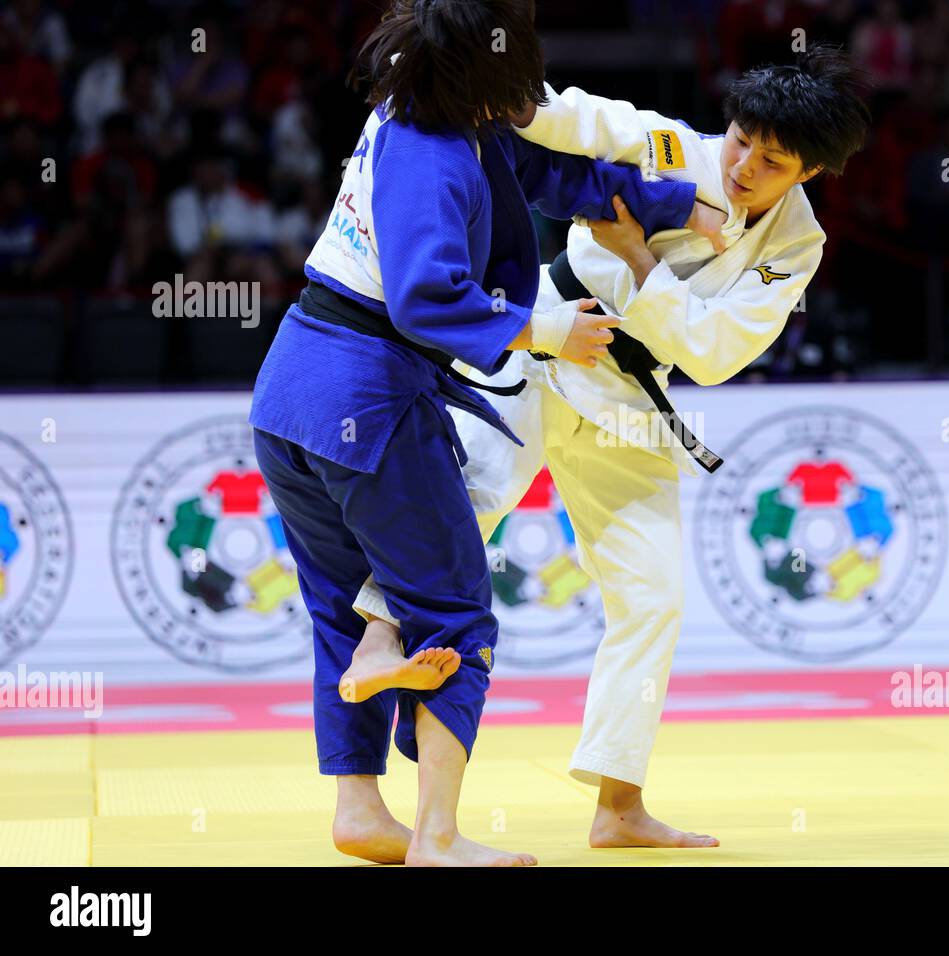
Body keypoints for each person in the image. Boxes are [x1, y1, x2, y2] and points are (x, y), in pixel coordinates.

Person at [352, 43, 871, 849]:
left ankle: (618, 806)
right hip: (545, 342)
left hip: (629, 391)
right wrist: (509, 102)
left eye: (771, 162)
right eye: (741, 140)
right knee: (462, 503)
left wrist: (638, 257)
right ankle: (378, 642)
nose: (742, 165)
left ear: (808, 175)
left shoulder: (796, 248)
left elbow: (711, 353)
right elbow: (589, 119)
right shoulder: (677, 152)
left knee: (653, 594)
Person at [248, 0, 704, 867]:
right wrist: (543, 329)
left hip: (291, 391)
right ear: (482, 76)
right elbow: (426, 296)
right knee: (454, 610)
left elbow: (552, 177)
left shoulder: (423, 109)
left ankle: (359, 810)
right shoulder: (434, 156)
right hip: (364, 396)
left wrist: (684, 200)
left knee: (348, 608)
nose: (526, 92)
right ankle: (438, 837)